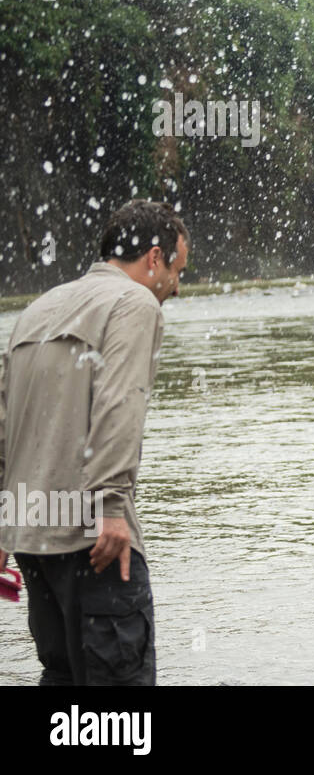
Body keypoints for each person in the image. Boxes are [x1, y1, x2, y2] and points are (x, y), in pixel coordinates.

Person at [0, 199, 189, 685]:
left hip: (34, 537)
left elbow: (5, 426)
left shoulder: (37, 310)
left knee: (64, 683)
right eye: (176, 270)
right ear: (154, 258)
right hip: (94, 538)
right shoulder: (134, 303)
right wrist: (110, 505)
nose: (176, 285)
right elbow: (120, 402)